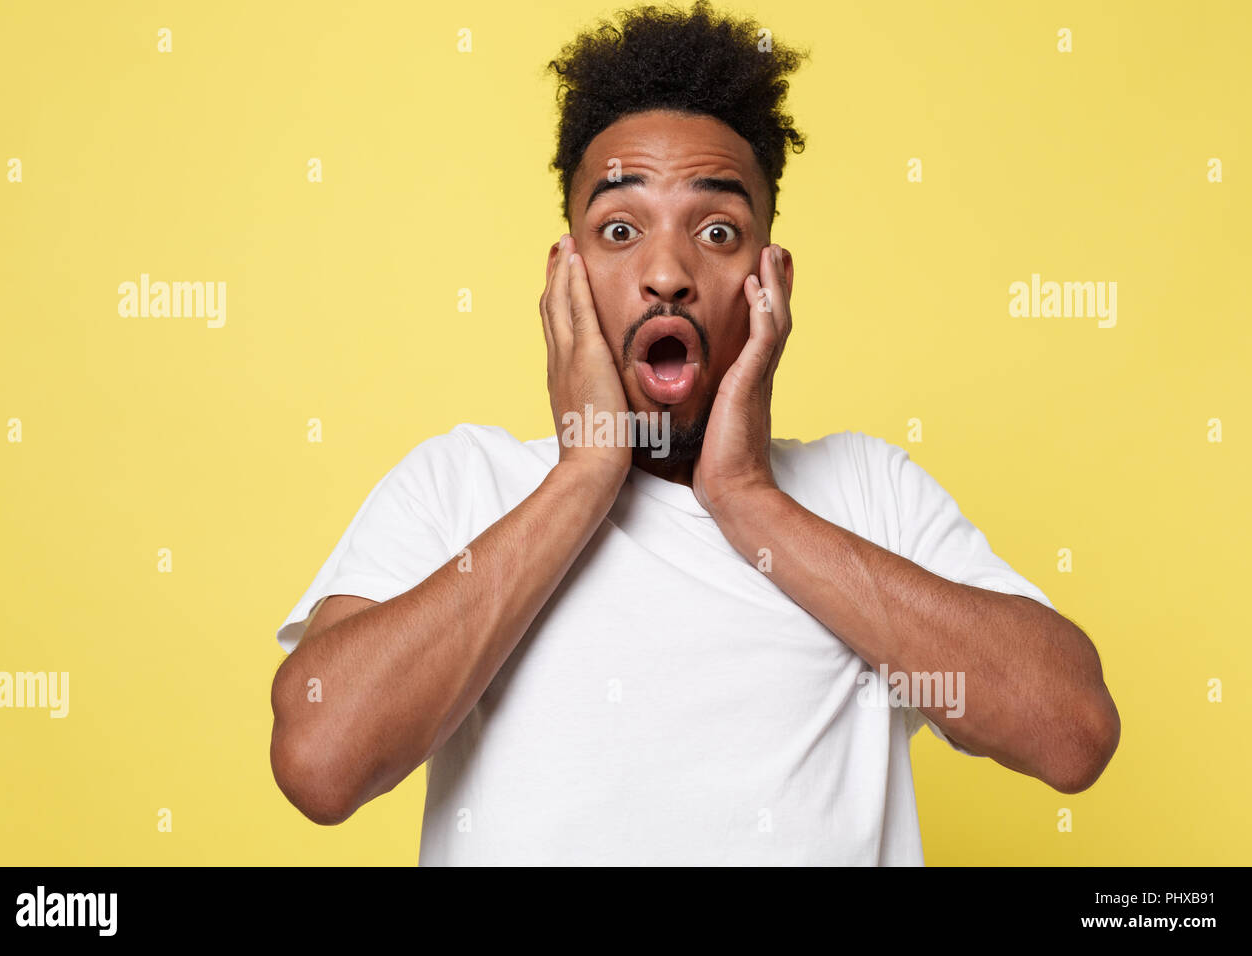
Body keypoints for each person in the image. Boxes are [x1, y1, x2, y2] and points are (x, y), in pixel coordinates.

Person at [269, 0, 1120, 865]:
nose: (668, 273)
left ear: (770, 282)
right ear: (565, 276)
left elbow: (1072, 732)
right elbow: (320, 761)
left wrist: (748, 498)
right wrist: (584, 473)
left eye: (717, 231)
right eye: (620, 229)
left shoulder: (869, 490)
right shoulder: (459, 484)